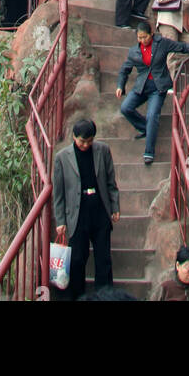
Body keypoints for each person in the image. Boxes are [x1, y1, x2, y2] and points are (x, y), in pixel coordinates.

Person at [116, 20, 189, 164]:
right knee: (125, 108)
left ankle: (149, 152)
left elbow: (179, 46)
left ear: (151, 34)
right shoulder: (134, 51)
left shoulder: (161, 43)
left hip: (158, 87)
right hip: (141, 87)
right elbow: (124, 70)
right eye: (140, 38)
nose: (143, 40)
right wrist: (120, 85)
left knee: (152, 115)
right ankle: (146, 128)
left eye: (145, 37)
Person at [53, 119, 120, 302]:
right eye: (81, 141)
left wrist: (115, 207)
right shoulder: (62, 157)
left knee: (103, 260)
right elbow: (58, 193)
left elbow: (110, 182)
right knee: (76, 261)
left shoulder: (103, 151)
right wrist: (60, 221)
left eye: (89, 141)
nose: (85, 145)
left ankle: (106, 297)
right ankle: (78, 297)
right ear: (74, 137)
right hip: (77, 215)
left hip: (100, 211)